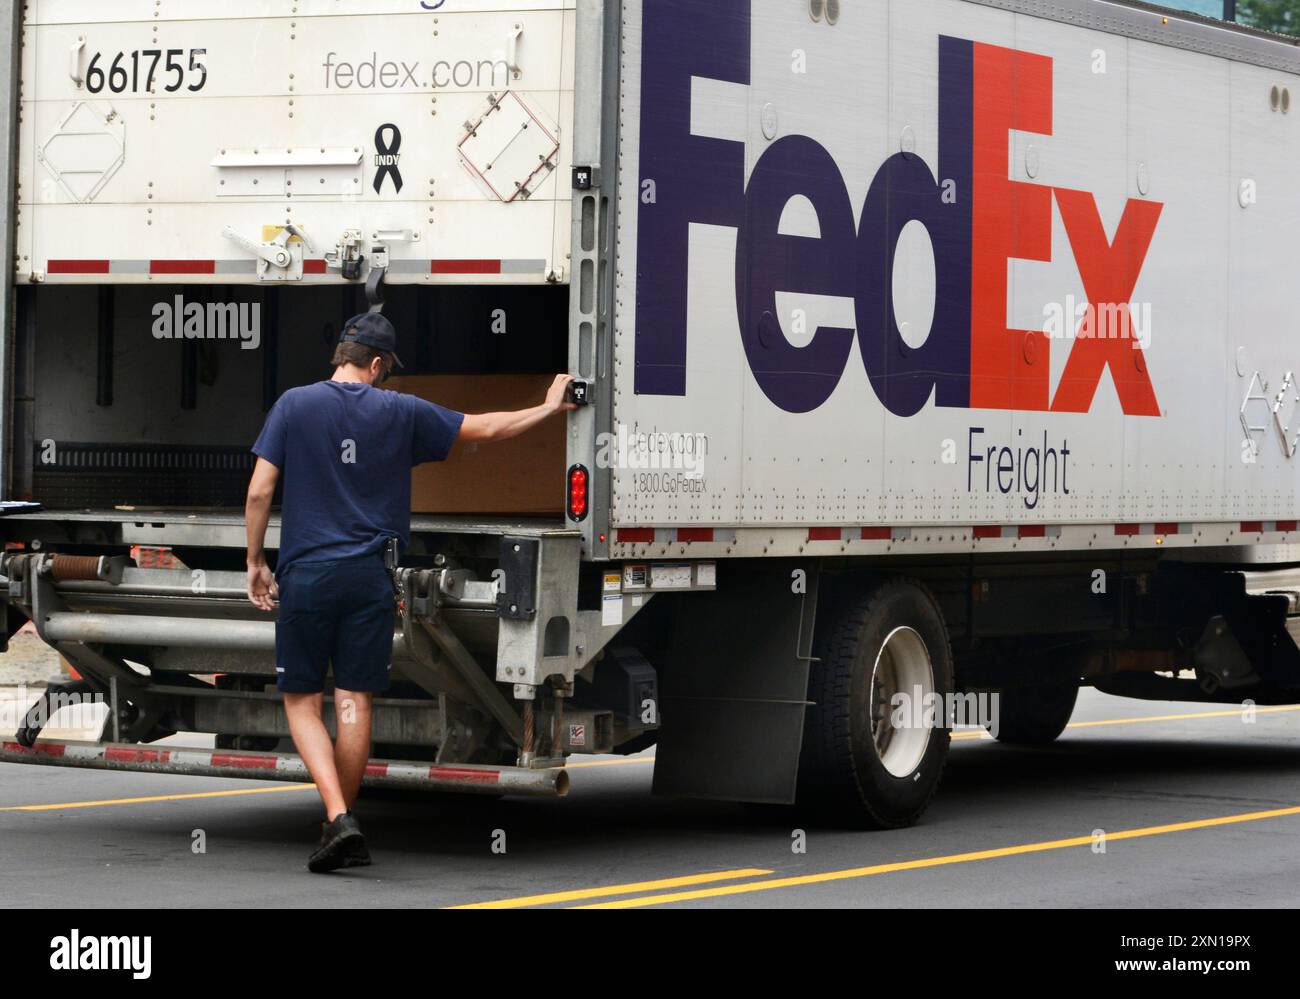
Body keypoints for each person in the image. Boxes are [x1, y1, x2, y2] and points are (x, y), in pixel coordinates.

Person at [244, 312, 574, 873]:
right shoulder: (402, 411)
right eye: (387, 371)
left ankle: (339, 818)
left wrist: (255, 560)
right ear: (376, 365)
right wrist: (549, 406)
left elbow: (259, 492)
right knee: (354, 700)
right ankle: (339, 821)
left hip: (308, 575)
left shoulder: (293, 405)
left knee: (302, 701)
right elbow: (488, 430)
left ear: (339, 356)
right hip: (371, 576)